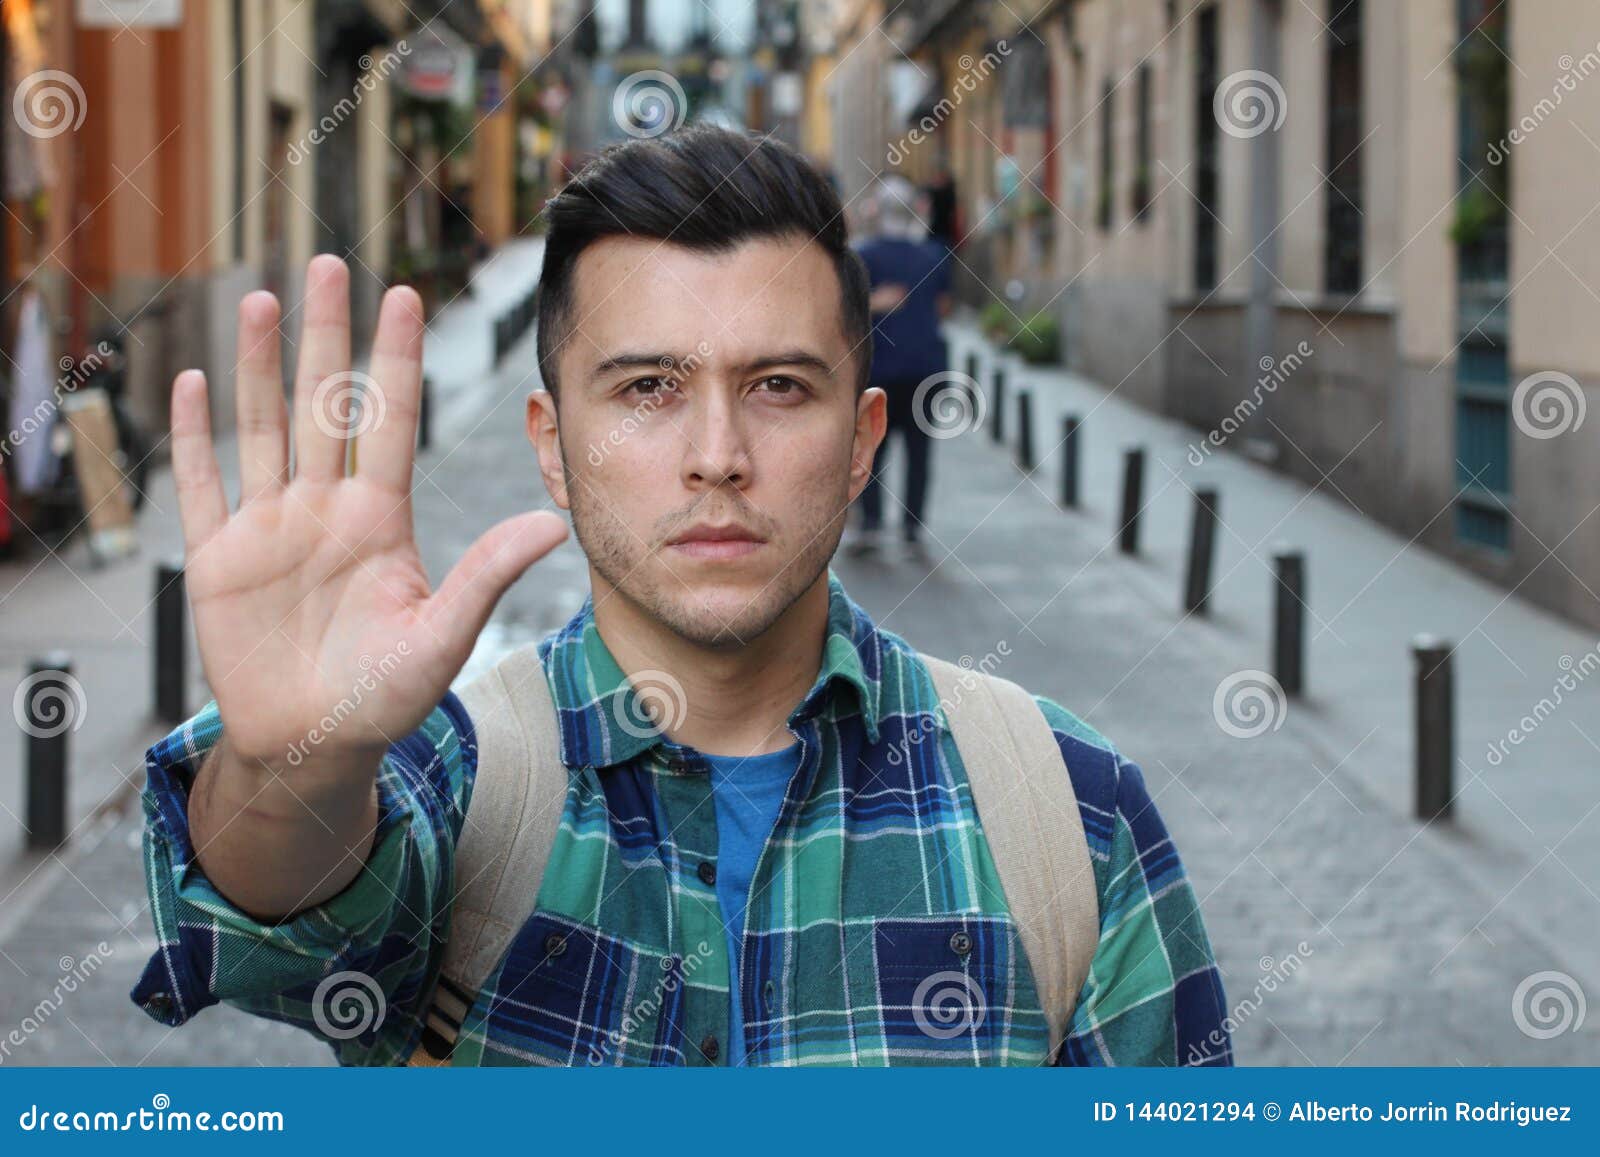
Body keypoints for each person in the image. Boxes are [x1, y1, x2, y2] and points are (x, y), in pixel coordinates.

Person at [130, 126, 1229, 1067]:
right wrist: (302, 766)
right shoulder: (454, 782)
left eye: (778, 386)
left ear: (861, 441)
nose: (717, 454)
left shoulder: (1067, 815)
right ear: (553, 447)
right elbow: (278, 933)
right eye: (648, 388)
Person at [850, 174, 952, 560]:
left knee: (872, 449)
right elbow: (944, 308)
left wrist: (875, 304)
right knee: (919, 452)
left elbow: (845, 309)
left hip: (879, 370)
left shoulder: (863, 255)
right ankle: (911, 528)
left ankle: (872, 524)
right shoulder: (934, 255)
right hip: (926, 368)